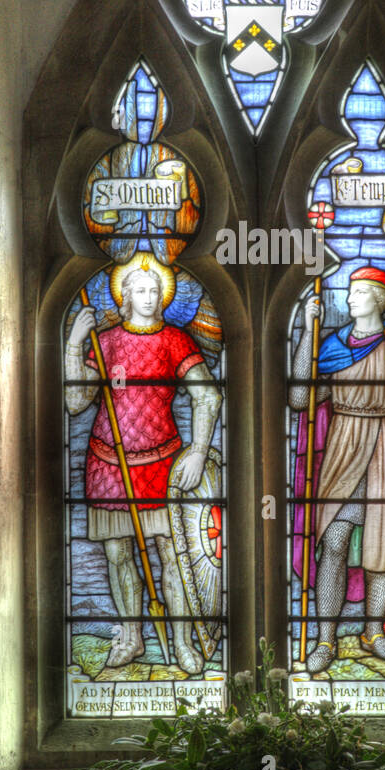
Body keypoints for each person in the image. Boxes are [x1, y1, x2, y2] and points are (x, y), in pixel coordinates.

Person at [65, 257, 221, 675]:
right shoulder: (107, 342)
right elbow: (76, 402)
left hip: (162, 464)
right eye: (140, 290)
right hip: (108, 464)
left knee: (173, 555)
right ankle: (131, 637)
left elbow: (208, 397)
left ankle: (183, 642)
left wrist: (200, 451)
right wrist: (73, 344)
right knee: (118, 553)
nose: (149, 297)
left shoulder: (175, 341)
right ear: (125, 295)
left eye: (155, 291)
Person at [290, 266, 385, 674]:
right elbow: (298, 398)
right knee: (334, 541)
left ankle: (375, 631)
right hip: (345, 445)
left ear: (379, 298)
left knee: (384, 549)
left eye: (359, 292)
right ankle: (325, 639)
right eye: (351, 292)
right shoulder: (334, 345)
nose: (350, 298)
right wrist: (308, 332)